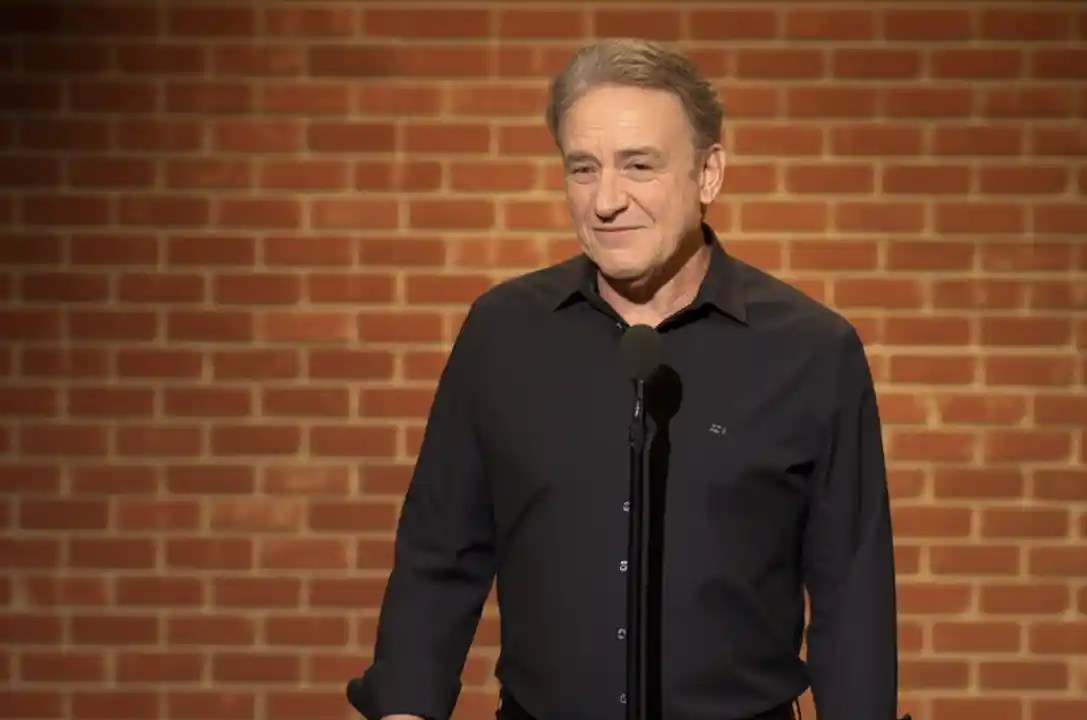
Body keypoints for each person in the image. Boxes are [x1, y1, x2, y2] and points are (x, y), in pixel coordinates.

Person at [347, 38, 901, 720]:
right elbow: (439, 553)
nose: (605, 201)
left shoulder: (813, 352)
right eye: (583, 168)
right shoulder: (502, 334)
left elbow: (854, 594)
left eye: (638, 166)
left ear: (708, 174)